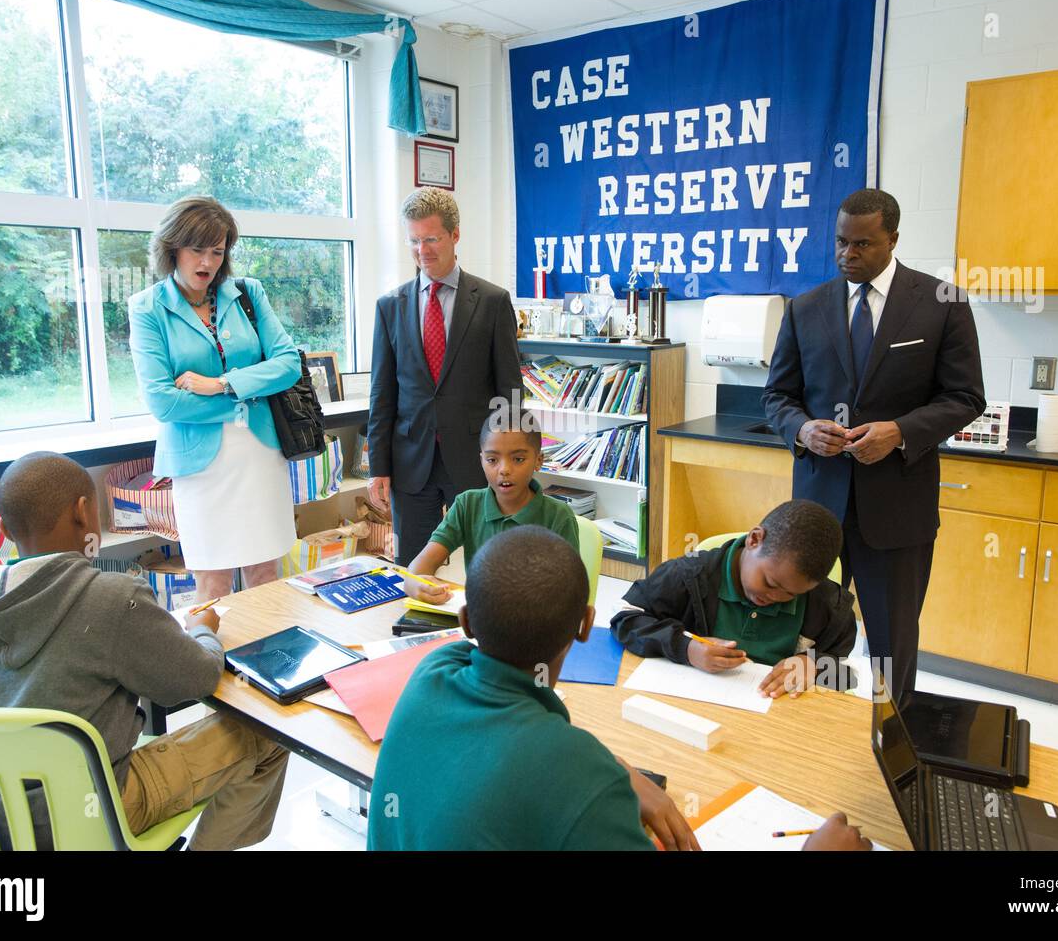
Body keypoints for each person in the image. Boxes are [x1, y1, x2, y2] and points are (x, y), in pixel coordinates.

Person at [369, 526, 872, 850]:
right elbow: (551, 754)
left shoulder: (432, 671)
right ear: (586, 626)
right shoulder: (583, 785)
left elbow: (533, 743)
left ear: (465, 622)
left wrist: (611, 767)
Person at [0, 452, 289, 850]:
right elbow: (196, 678)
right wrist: (203, 632)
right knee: (268, 736)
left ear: (5, 530)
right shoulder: (109, 597)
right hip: (88, 810)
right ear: (83, 512)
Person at [763, 188, 985, 697]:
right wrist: (801, 429)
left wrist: (900, 431)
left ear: (893, 240)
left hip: (897, 508)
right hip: (817, 507)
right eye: (840, 242)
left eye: (862, 244)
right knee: (807, 635)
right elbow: (777, 395)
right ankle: (812, 736)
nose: (848, 255)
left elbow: (966, 397)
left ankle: (892, 739)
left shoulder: (941, 305)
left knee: (891, 641)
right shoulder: (805, 308)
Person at [128, 195, 301, 601]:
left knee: (265, 575)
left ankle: (271, 660)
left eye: (218, 252)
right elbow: (163, 402)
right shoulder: (148, 308)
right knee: (213, 582)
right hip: (199, 465)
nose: (207, 263)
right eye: (196, 250)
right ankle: (214, 663)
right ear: (172, 248)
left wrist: (222, 383)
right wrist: (247, 397)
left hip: (260, 453)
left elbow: (289, 363)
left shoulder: (247, 293)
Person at [367, 187, 523, 566]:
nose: (423, 250)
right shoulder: (391, 306)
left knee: (489, 564)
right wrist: (378, 468)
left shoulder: (491, 301)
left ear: (455, 235)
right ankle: (419, 628)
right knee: (414, 568)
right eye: (414, 241)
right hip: (410, 462)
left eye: (432, 239)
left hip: (475, 460)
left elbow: (510, 391)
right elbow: (382, 394)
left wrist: (515, 460)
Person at [611, 500, 858, 698]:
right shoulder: (688, 576)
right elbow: (626, 618)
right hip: (692, 704)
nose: (774, 597)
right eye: (770, 583)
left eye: (791, 594)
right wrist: (686, 648)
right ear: (754, 540)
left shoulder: (829, 606)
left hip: (777, 722)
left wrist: (813, 664)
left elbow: (848, 672)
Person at [401, 409, 579, 605]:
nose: (504, 470)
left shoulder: (558, 516)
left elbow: (570, 593)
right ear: (481, 460)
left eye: (518, 459)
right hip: (481, 622)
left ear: (538, 461)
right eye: (492, 460)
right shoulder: (466, 505)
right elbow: (418, 568)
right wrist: (415, 584)